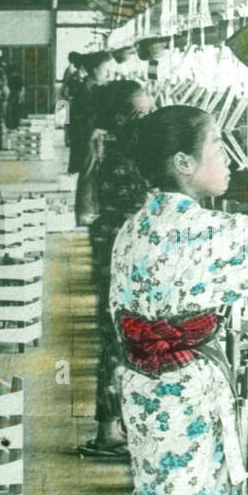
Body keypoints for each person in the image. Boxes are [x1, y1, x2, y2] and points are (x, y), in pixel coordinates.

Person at [104, 106, 248, 495]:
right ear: (183, 164)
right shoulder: (208, 232)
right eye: (218, 146)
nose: (230, 159)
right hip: (184, 389)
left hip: (144, 385)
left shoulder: (135, 226)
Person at [74, 79, 154, 459]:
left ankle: (112, 425)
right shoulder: (126, 154)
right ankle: (108, 431)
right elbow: (137, 209)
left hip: (112, 242)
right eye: (143, 112)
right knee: (117, 337)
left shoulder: (115, 144)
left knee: (116, 337)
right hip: (118, 248)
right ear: (123, 117)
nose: (149, 118)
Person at [67, 50, 112, 174]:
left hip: (89, 134)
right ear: (95, 70)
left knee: (91, 173)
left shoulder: (92, 86)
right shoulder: (87, 89)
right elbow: (81, 115)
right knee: (88, 174)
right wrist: (93, 130)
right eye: (104, 69)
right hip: (87, 135)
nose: (107, 72)